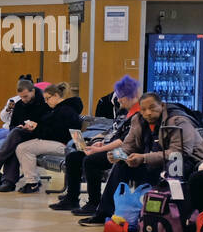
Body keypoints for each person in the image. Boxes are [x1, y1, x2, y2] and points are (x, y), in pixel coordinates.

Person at [79, 91, 203, 226]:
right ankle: (104, 213)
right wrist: (117, 154)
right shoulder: (137, 119)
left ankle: (164, 217)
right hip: (154, 161)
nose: (148, 113)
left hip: (187, 164)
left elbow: (179, 152)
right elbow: (128, 146)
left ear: (162, 105)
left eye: (152, 108)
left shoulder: (178, 121)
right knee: (121, 166)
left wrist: (143, 158)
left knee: (167, 168)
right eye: (143, 109)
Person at [49, 76, 141, 213]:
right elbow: (113, 133)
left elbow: (123, 141)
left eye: (120, 97)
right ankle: (72, 199)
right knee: (73, 157)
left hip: (126, 152)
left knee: (91, 161)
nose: (118, 100)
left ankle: (94, 203)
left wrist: (100, 149)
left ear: (128, 96)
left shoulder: (137, 115)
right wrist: (99, 143)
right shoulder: (123, 113)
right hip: (112, 147)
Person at [10, 82, 83, 193]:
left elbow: (58, 133)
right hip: (57, 142)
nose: (46, 102)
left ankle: (32, 182)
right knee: (21, 146)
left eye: (48, 98)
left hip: (64, 145)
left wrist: (37, 128)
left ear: (56, 96)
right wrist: (36, 128)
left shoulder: (66, 111)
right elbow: (51, 130)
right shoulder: (59, 109)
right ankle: (32, 181)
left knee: (23, 148)